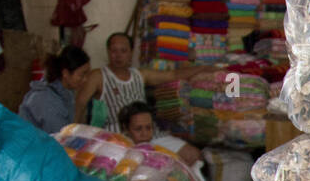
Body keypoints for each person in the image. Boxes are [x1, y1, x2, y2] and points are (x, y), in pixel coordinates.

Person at [76, 32, 210, 134]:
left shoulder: (140, 75)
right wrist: (76, 134)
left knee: (190, 155)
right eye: (114, 51)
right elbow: (79, 105)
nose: (118, 56)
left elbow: (173, 75)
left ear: (131, 53)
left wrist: (203, 67)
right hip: (116, 134)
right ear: (108, 52)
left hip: (147, 133)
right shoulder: (98, 76)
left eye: (123, 51)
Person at [18, 45, 91, 135]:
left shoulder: (66, 92)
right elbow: (59, 138)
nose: (85, 79)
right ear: (66, 73)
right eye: (82, 75)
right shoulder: (46, 99)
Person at [117, 100, 203, 169]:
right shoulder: (118, 152)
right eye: (138, 129)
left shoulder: (159, 153)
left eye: (148, 128)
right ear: (126, 128)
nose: (145, 134)